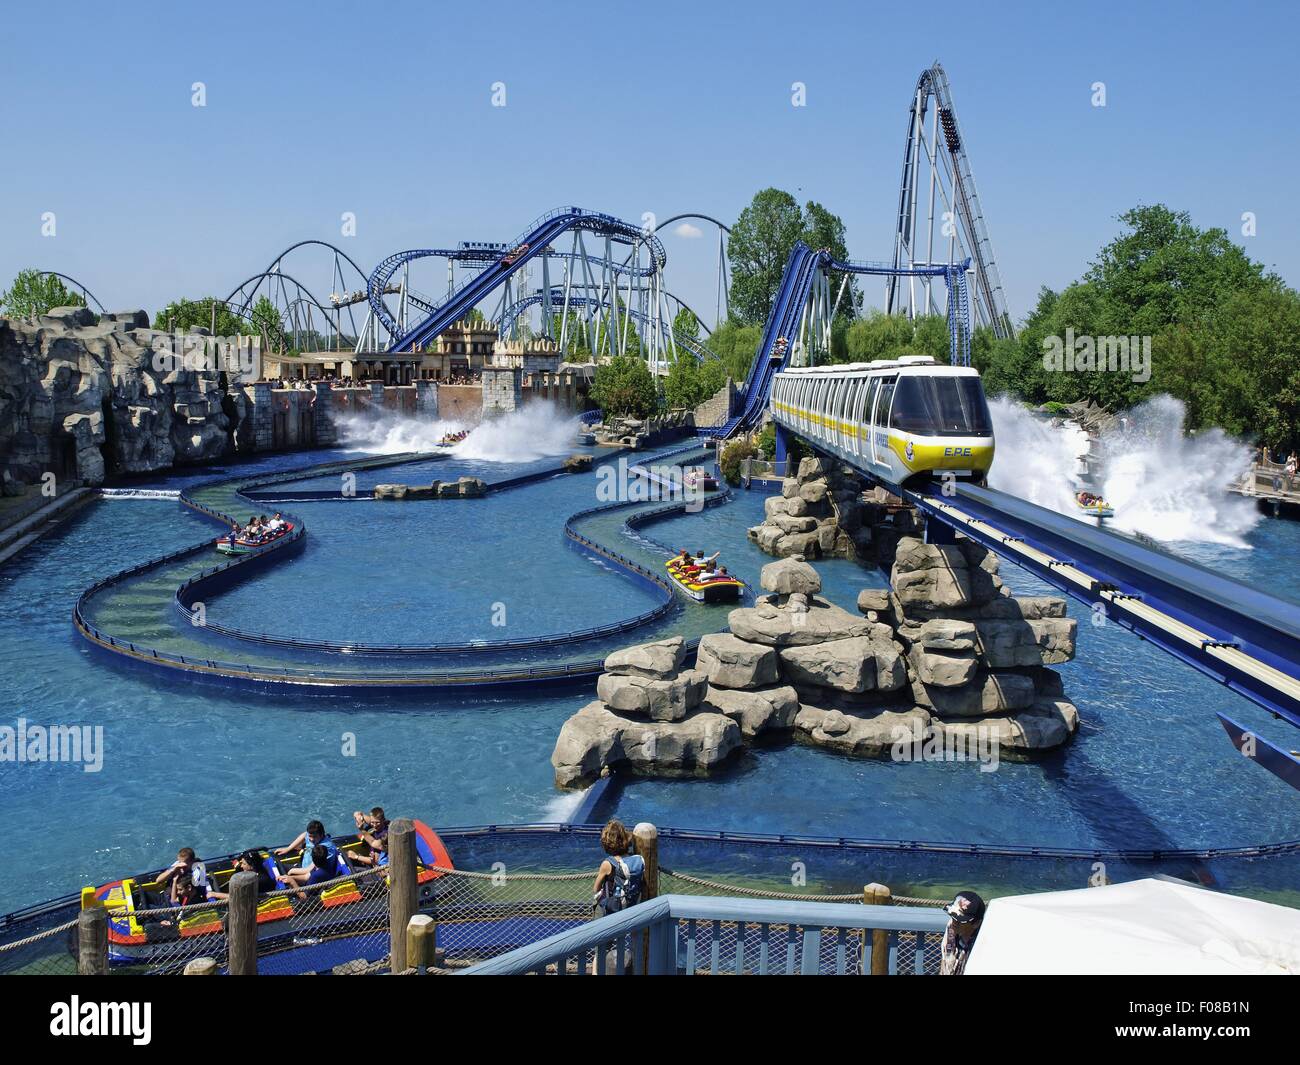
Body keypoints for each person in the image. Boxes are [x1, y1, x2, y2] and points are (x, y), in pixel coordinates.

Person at [591, 820, 645, 916]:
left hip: (614, 910)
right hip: (632, 906)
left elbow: (596, 889)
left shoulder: (607, 864)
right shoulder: (633, 859)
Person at [939, 890, 985, 975]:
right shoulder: (951, 928)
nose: (954, 922)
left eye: (961, 921)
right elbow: (947, 957)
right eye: (953, 917)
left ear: (976, 923)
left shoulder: (981, 947)